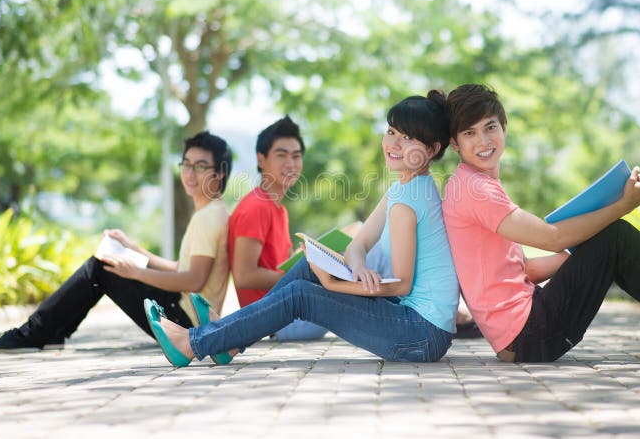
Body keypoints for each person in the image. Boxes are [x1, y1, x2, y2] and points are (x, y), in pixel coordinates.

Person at [143, 91, 460, 367]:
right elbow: (358, 244)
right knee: (309, 266)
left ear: (431, 150)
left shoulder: (409, 200)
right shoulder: (402, 189)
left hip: (421, 334)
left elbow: (401, 286)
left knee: (301, 295)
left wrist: (333, 283)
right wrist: (357, 266)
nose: (393, 144)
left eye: (407, 138)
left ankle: (193, 343)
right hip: (411, 323)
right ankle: (229, 339)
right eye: (391, 132)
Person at [441, 83, 640, 363]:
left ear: (504, 127)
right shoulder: (475, 190)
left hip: (522, 334)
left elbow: (525, 270)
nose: (483, 140)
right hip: (528, 334)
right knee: (616, 237)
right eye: (470, 133)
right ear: (455, 143)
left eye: (490, 127)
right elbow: (551, 238)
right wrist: (623, 205)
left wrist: (585, 255)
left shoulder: (471, 184)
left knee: (608, 240)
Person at [0, 131, 233, 352]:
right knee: (106, 265)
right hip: (187, 315)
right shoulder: (212, 212)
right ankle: (48, 332)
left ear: (219, 173)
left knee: (100, 268)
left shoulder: (208, 218)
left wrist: (136, 273)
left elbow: (193, 280)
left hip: (185, 323)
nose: (190, 173)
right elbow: (182, 268)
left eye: (200, 166)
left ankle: (34, 334)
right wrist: (134, 248)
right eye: (186, 164)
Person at [225, 116, 327, 342]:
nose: (291, 163)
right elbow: (244, 276)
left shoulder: (278, 209)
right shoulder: (256, 207)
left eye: (296, 156)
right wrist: (302, 275)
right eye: (281, 155)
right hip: (275, 321)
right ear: (261, 160)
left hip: (289, 313)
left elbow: (278, 267)